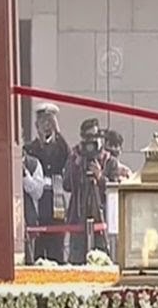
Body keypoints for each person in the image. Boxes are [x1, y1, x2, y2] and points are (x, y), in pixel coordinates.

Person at [62, 118, 117, 261]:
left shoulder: (109, 160)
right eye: (87, 137)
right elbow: (66, 185)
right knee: (76, 260)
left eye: (94, 137)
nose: (90, 142)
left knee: (101, 259)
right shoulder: (75, 157)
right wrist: (76, 166)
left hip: (102, 219)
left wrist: (100, 177)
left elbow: (115, 192)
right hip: (78, 218)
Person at [23, 103, 69, 263]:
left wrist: (58, 130)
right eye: (43, 123)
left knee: (57, 246)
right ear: (37, 125)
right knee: (38, 248)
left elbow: (66, 156)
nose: (47, 127)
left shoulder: (59, 147)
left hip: (56, 198)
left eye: (50, 123)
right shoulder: (30, 148)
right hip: (38, 199)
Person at [101, 129, 133, 258]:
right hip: (104, 212)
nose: (115, 149)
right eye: (112, 145)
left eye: (117, 146)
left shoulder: (125, 170)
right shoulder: (100, 165)